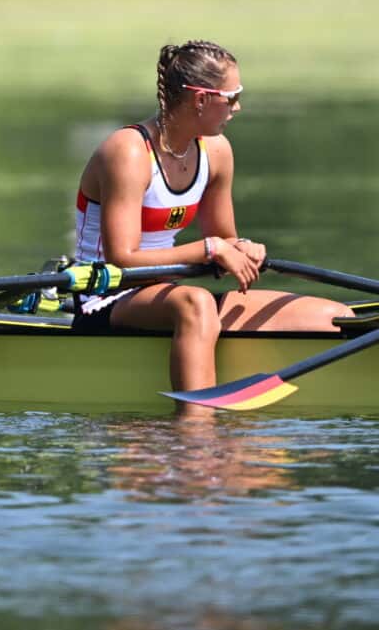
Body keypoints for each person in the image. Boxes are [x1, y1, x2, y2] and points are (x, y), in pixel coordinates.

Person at [71, 39, 351, 393]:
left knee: (331, 317)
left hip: (165, 292)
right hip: (105, 297)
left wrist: (244, 248)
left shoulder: (216, 152)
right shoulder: (128, 153)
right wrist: (210, 250)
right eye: (231, 97)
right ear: (201, 99)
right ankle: (196, 431)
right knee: (197, 301)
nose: (238, 106)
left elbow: (225, 239)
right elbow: (122, 261)